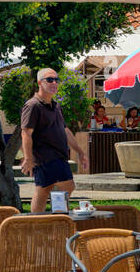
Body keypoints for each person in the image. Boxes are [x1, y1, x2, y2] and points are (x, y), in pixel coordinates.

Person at [21, 68, 89, 213]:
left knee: (44, 190)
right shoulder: (33, 105)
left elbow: (65, 131)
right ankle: (56, 218)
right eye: (49, 80)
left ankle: (43, 222)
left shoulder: (56, 106)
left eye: (56, 80)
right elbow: (26, 133)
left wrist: (80, 152)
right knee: (66, 186)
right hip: (45, 156)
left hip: (58, 156)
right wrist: (28, 158)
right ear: (40, 83)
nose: (54, 83)